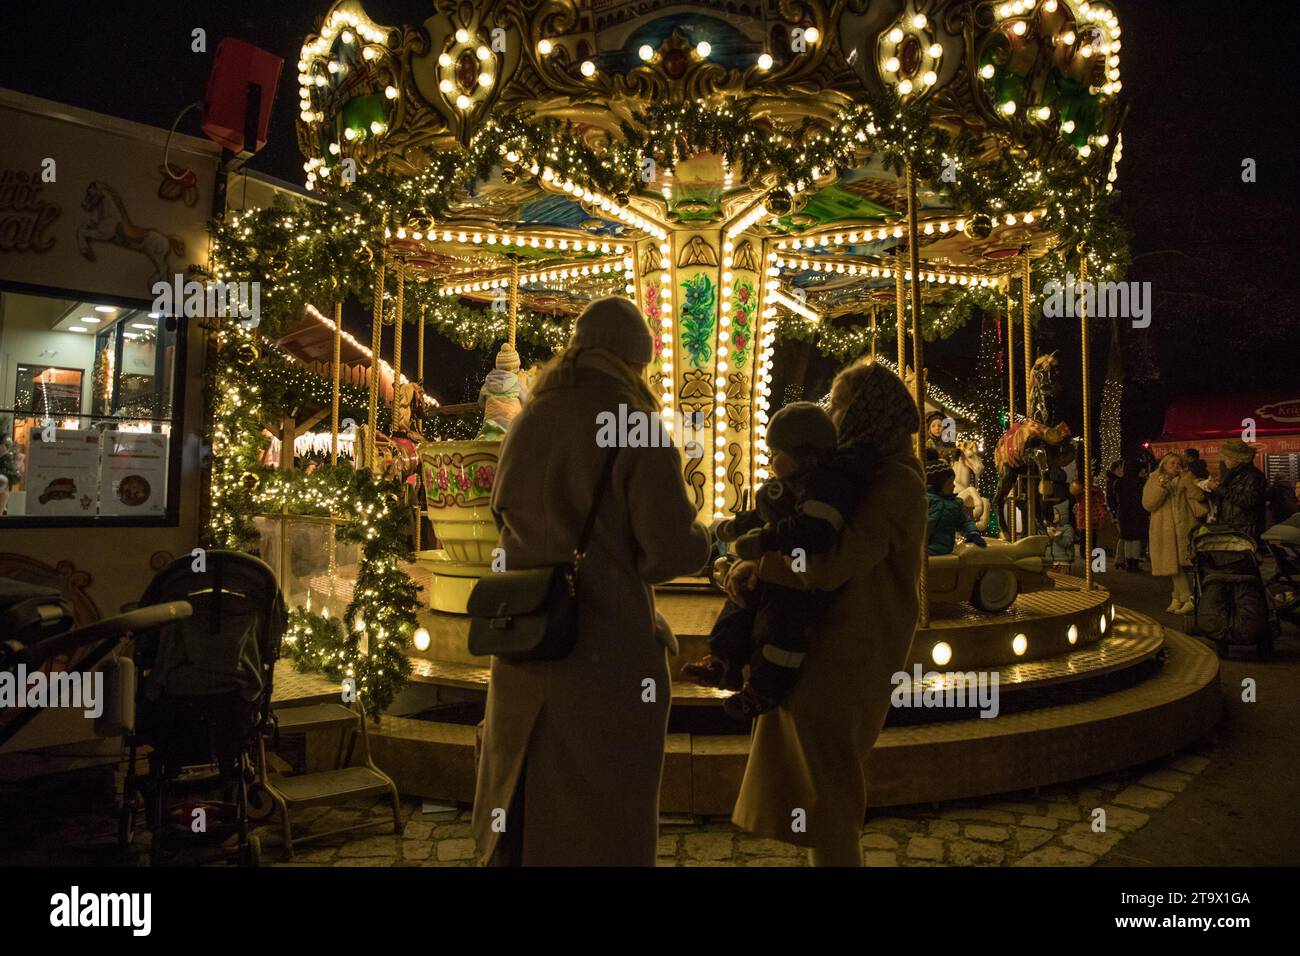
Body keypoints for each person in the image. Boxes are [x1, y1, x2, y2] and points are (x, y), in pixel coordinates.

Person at [471, 297, 711, 866]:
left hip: (526, 639)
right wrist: (708, 538)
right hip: (603, 651)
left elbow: (500, 514)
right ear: (637, 360)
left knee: (526, 812)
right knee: (600, 823)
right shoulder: (636, 423)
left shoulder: (529, 417)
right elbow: (667, 552)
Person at [723, 358, 924, 866]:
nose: (831, 419)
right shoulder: (863, 475)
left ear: (867, 413)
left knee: (829, 781)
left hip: (853, 647)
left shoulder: (895, 482)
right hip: (829, 640)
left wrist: (762, 563)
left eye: (839, 407)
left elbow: (833, 563)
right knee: (817, 781)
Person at [683, 402, 863, 720]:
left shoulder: (826, 487)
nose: (770, 461)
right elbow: (765, 513)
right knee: (739, 602)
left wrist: (765, 542)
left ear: (803, 455)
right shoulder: (793, 485)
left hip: (802, 581)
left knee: (782, 630)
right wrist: (738, 525)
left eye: (775, 453)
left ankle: (765, 689)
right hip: (783, 568)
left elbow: (812, 532)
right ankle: (723, 659)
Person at [1143, 452, 1205, 615]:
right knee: (1172, 565)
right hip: (1164, 529)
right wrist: (1162, 487)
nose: (1176, 466)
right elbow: (1148, 504)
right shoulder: (1155, 479)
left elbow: (1199, 496)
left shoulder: (1186, 477)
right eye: (1172, 463)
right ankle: (1184, 598)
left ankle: (1183, 598)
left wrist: (1188, 482)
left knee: (1178, 564)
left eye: (1179, 463)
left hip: (1185, 527)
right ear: (1163, 465)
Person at [1208, 438, 1267, 542]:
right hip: (1231, 527)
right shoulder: (1232, 474)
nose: (1224, 460)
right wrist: (1213, 488)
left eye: (1226, 457)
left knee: (1244, 558)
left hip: (1245, 530)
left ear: (1237, 458)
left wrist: (1219, 489)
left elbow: (1249, 501)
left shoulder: (1253, 476)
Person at [925, 460, 983, 555]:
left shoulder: (954, 504)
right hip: (922, 550)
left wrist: (972, 532)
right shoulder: (925, 500)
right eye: (949, 483)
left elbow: (964, 520)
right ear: (938, 484)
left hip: (943, 550)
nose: (953, 485)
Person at [1113, 457, 1148, 571]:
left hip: (1123, 512)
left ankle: (1128, 563)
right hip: (1138, 512)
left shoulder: (1119, 482)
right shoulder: (1141, 482)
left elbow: (1115, 498)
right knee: (1136, 537)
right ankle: (1135, 563)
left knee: (1127, 537)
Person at [1045, 497, 1076, 573]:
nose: (1054, 516)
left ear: (1062, 515)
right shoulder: (1056, 528)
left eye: (1056, 514)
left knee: (1062, 580)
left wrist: (1055, 537)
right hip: (1054, 560)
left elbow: (1067, 542)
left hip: (1063, 562)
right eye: (1054, 513)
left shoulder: (1068, 528)